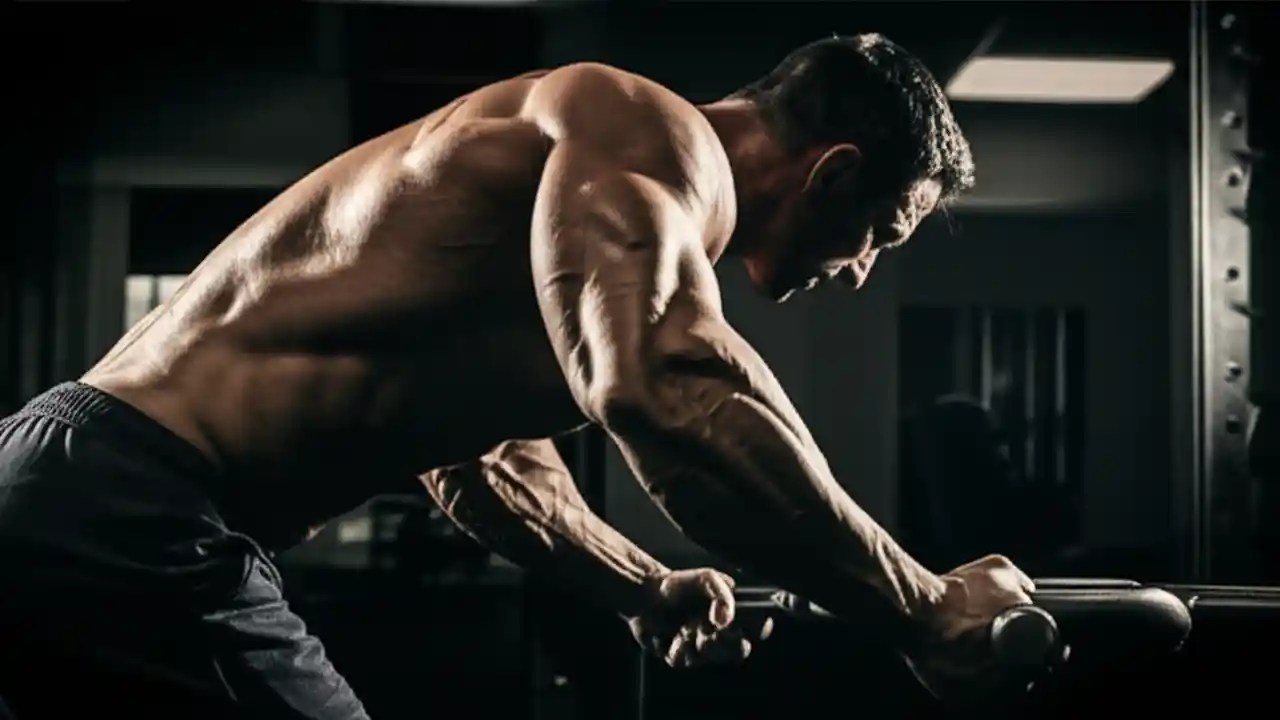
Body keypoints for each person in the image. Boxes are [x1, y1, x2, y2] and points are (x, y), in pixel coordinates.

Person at [0, 34, 1034, 718]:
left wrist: (642, 588)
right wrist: (923, 605)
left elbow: (483, 468)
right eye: (877, 237)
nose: (856, 271)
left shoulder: (553, 237)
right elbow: (666, 385)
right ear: (834, 171)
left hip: (68, 484)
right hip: (140, 510)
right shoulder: (644, 130)